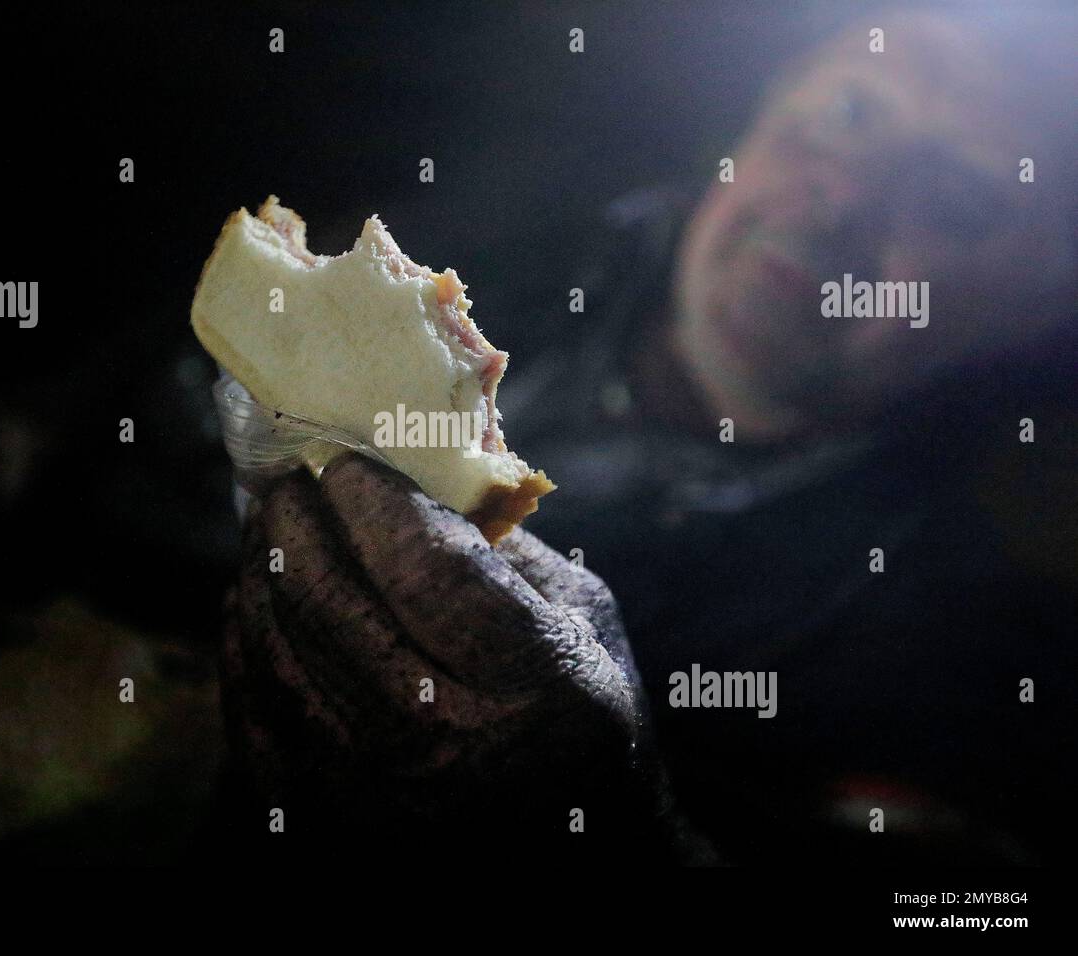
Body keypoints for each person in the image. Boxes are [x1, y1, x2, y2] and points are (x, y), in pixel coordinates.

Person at [217, 11, 1076, 861]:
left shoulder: (952, 655)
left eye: (960, 197)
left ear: (1044, 301)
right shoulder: (494, 221)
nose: (841, 201)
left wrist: (614, 826)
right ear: (766, 104)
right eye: (849, 115)